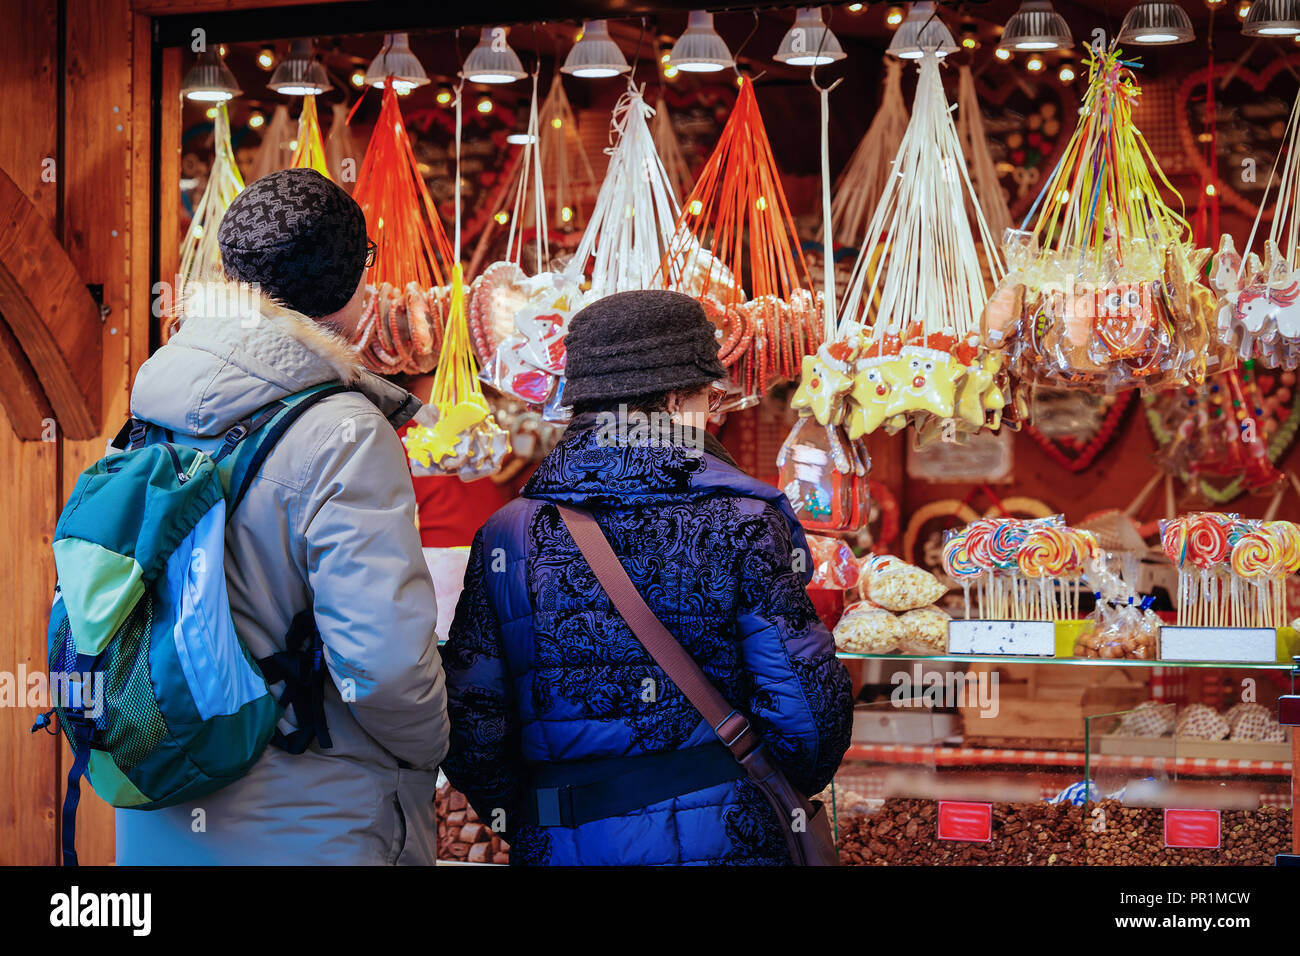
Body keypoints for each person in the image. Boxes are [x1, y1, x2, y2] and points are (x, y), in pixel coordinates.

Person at [440, 290, 854, 865]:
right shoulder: (744, 519)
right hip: (729, 839)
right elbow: (807, 716)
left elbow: (472, 721)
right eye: (708, 397)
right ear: (678, 397)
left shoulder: (509, 533)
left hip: (562, 841)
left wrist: (547, 817)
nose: (711, 414)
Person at [117, 168, 449, 865]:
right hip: (314, 815)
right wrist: (431, 752)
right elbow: (383, 666)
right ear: (352, 281)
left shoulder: (154, 404)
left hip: (160, 795)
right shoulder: (345, 431)